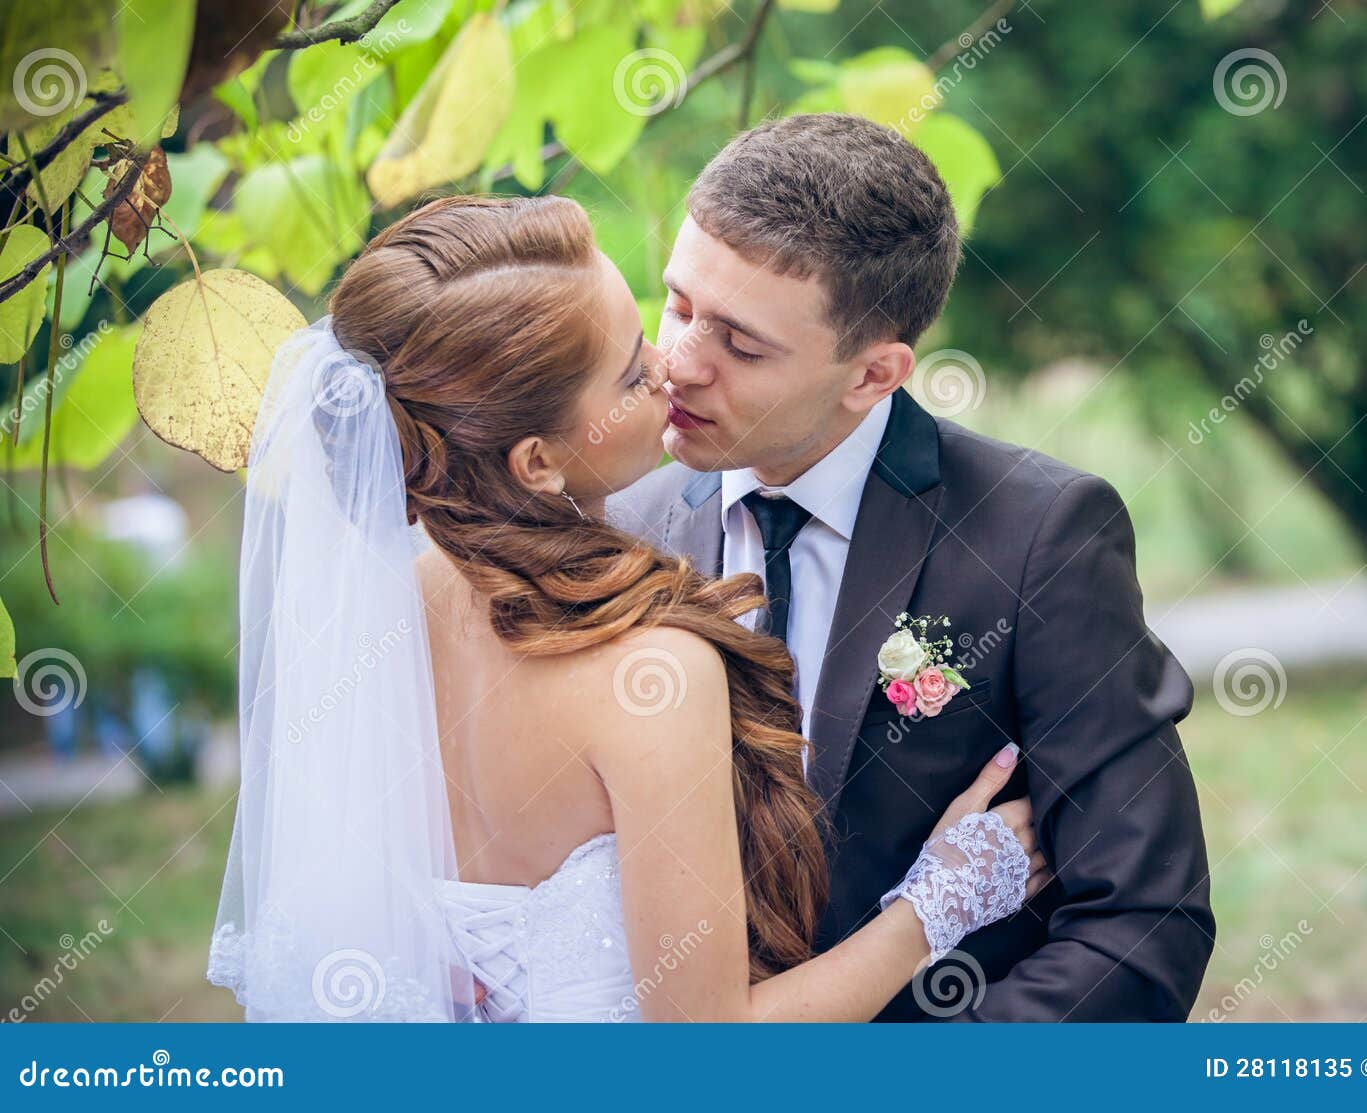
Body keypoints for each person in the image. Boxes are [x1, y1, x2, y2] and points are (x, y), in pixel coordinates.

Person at [208, 193, 1046, 1022]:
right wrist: (934, 907)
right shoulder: (654, 675)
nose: (671, 366)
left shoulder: (376, 613)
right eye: (630, 371)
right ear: (537, 462)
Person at [610, 113, 1215, 1021]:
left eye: (741, 343)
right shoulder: (619, 529)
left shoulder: (1040, 537)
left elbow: (1143, 920)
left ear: (874, 373)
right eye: (680, 305)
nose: (679, 365)